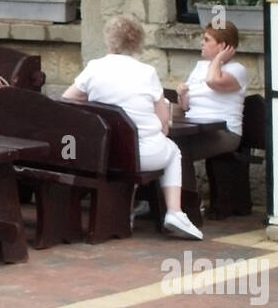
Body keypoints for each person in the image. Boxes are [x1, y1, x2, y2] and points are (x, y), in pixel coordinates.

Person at [62, 14, 202, 241]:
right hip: (142, 154)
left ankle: (128, 211)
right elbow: (163, 121)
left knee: (133, 161)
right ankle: (175, 212)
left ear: (110, 41)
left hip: (103, 153)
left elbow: (66, 100)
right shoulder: (146, 73)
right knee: (173, 151)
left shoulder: (95, 67)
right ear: (138, 43)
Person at [176, 20, 248, 215]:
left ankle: (187, 205)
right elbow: (186, 107)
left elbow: (213, 81)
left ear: (222, 46)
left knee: (178, 151)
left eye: (207, 40)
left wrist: (218, 60)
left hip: (224, 133)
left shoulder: (237, 70)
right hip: (195, 126)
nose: (202, 43)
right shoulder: (199, 67)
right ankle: (174, 203)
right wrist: (182, 95)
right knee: (170, 146)